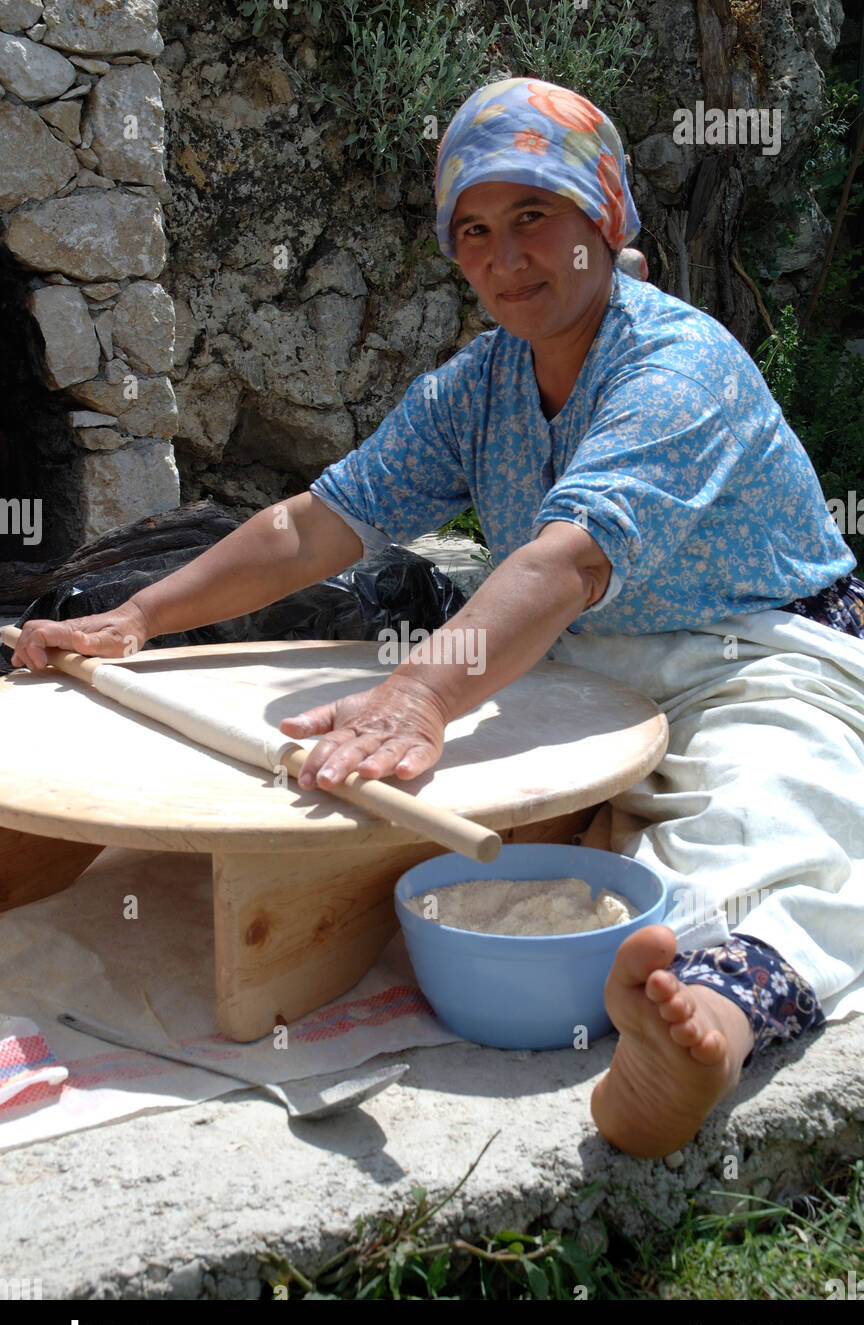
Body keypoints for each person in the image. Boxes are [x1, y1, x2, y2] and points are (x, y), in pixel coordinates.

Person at [10, 79, 864, 1158]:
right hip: (583, 655)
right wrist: (134, 617)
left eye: (534, 218)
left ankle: (701, 1029)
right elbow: (313, 527)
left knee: (782, 825)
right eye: (475, 229)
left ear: (605, 220)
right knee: (407, 791)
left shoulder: (679, 367)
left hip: (760, 653)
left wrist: (422, 691)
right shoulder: (482, 383)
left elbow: (566, 555)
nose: (506, 258)